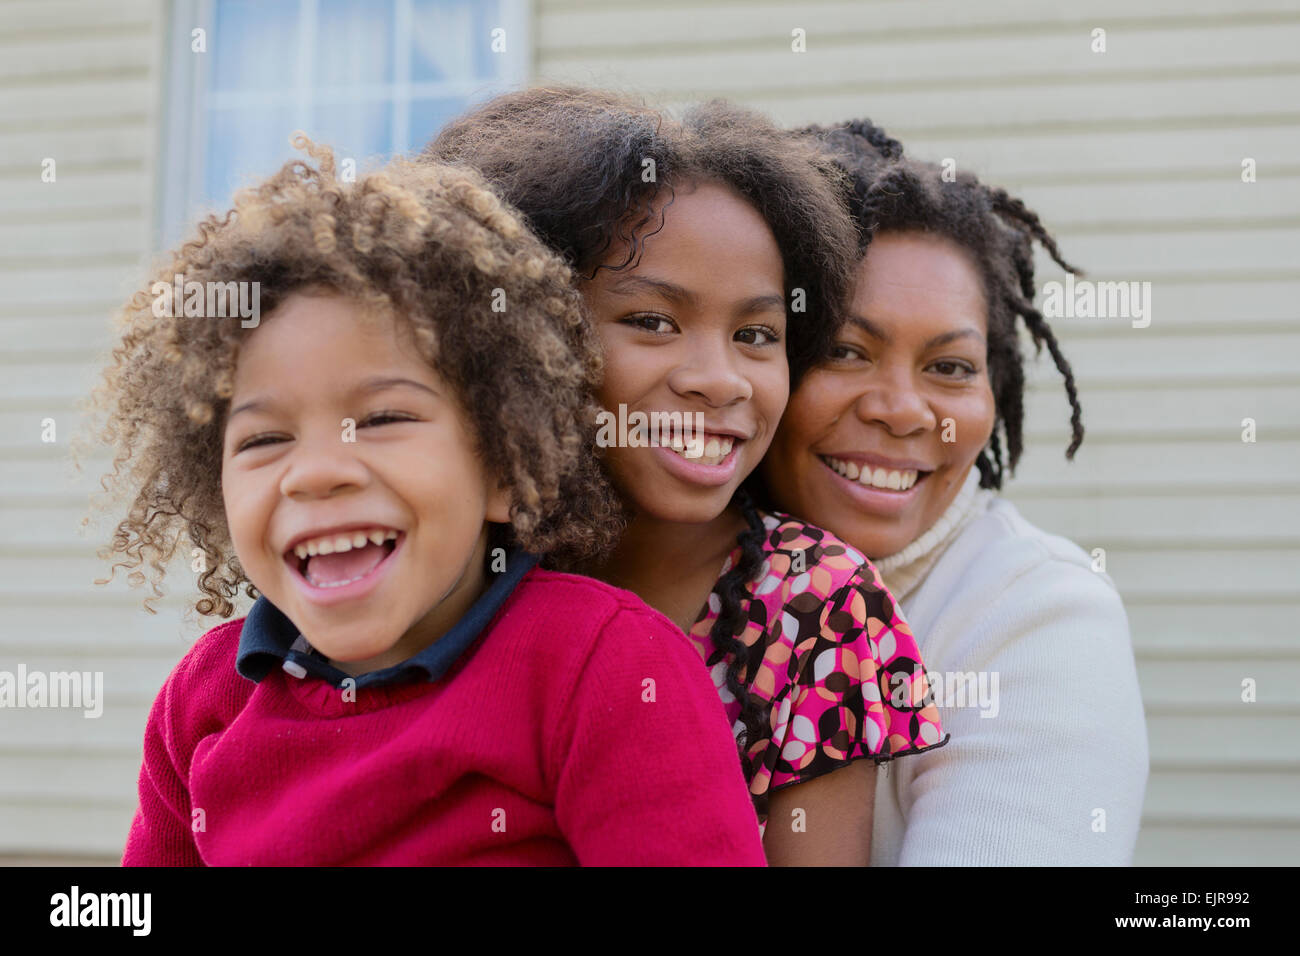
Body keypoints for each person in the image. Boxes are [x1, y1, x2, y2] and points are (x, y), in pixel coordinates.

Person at [85, 136, 768, 866]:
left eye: (382, 420)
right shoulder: (203, 702)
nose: (314, 474)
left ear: (506, 465)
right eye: (263, 440)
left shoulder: (603, 666)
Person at [428, 89, 948, 865]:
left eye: (756, 334)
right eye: (653, 322)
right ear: (521, 335)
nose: (720, 379)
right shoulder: (440, 568)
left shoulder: (813, 607)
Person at [760, 120, 1150, 865]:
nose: (902, 409)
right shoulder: (677, 573)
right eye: (845, 350)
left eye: (950, 368)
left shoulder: (1039, 617)